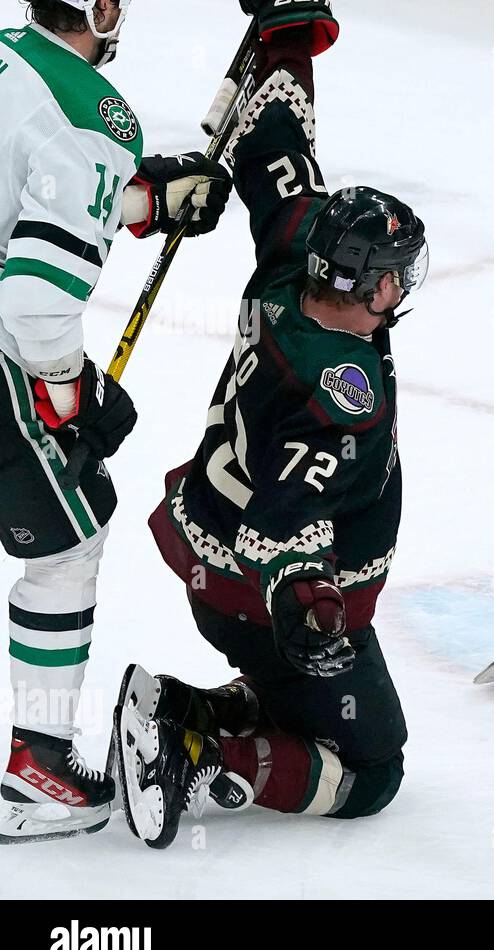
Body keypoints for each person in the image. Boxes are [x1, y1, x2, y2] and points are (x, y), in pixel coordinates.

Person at [114, 0, 428, 850]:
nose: (403, 290)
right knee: (373, 769)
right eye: (396, 278)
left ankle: (184, 707)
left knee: (302, 702)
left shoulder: (296, 255)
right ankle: (194, 752)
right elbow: (289, 515)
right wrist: (306, 605)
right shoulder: (344, 391)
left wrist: (288, 38)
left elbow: (276, 150)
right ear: (367, 288)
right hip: (260, 596)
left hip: (215, 556)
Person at [0, 0, 231, 843]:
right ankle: (38, 772)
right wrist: (66, 391)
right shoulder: (94, 112)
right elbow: (32, 295)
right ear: (101, 10)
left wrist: (139, 202)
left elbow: (25, 174)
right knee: (67, 542)